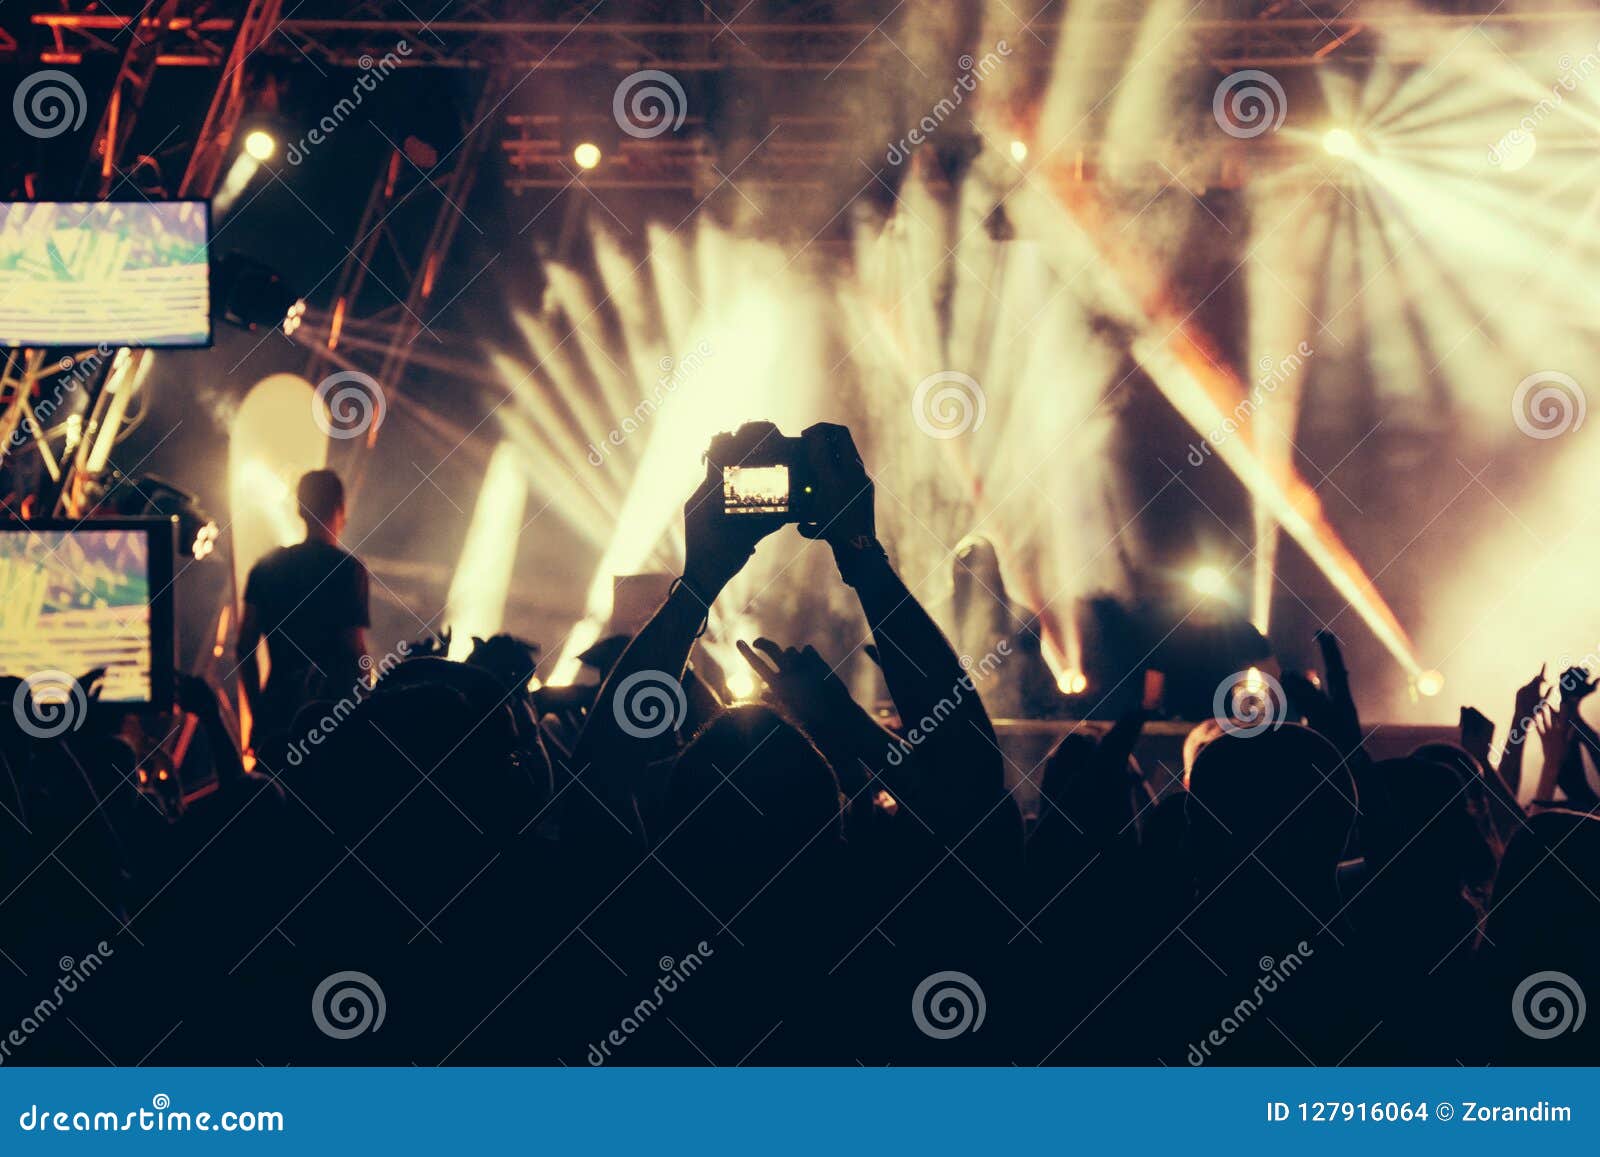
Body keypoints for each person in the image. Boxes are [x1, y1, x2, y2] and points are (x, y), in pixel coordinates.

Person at [236, 469, 369, 767]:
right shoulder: (348, 569)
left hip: (277, 714)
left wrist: (259, 715)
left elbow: (244, 646)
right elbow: (353, 651)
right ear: (340, 509)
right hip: (331, 719)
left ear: (299, 509)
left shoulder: (266, 567)